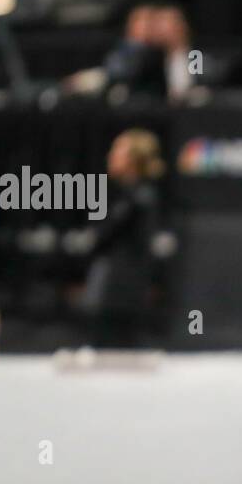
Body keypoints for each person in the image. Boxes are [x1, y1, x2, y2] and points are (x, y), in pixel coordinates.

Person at [80, 130, 166, 347]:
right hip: (115, 289)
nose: (111, 156)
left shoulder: (139, 199)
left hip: (120, 294)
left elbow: (108, 237)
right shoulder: (125, 196)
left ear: (133, 160)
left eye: (118, 150)